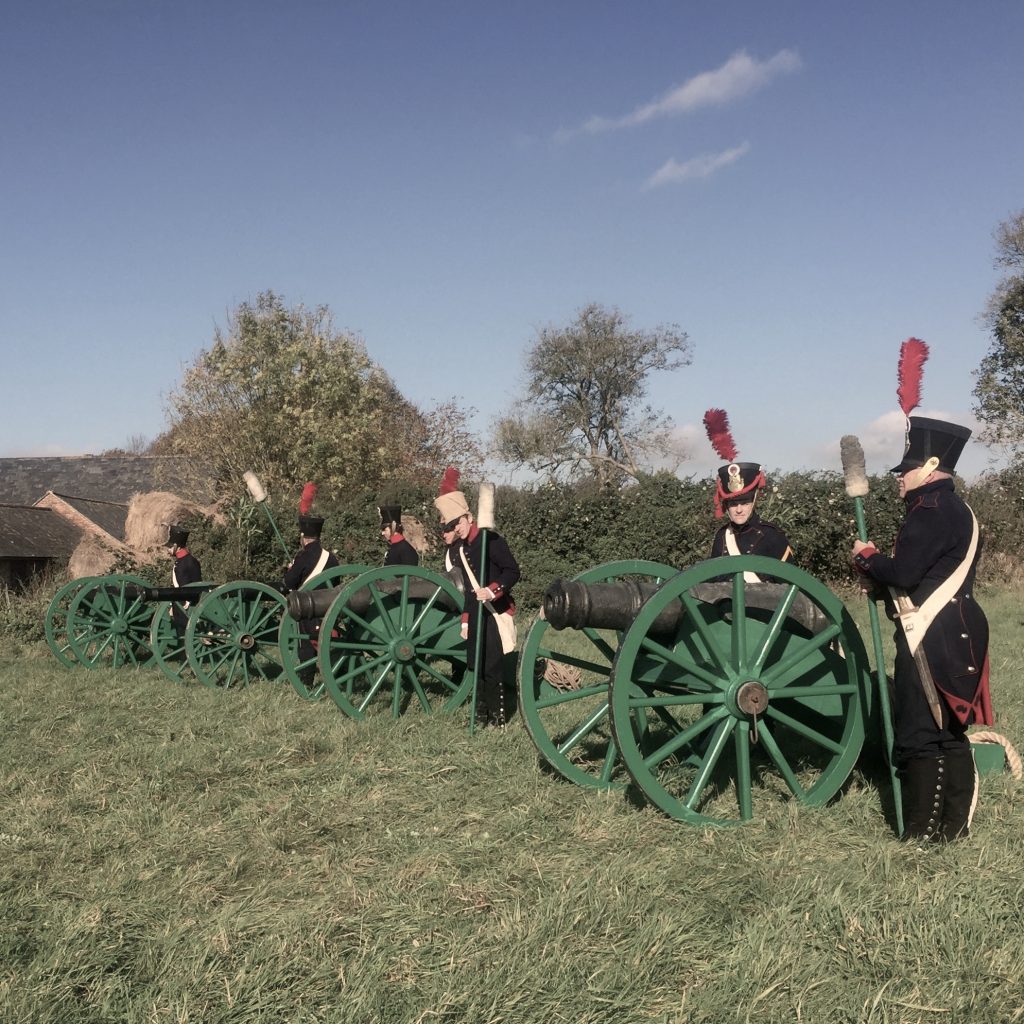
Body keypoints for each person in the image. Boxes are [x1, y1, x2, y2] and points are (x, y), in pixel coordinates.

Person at [852, 416, 991, 843]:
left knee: (918, 732)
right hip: (957, 628)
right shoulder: (958, 508)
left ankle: (921, 833)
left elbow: (907, 572)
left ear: (930, 467)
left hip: (930, 633)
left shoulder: (929, 511)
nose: (899, 478)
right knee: (948, 731)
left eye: (905, 470)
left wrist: (868, 557)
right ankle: (954, 828)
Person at [435, 468, 520, 728]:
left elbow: (513, 571)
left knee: (493, 668)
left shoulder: (491, 540)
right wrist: (465, 621)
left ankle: (499, 717)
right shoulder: (463, 549)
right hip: (477, 615)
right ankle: (480, 715)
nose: (455, 529)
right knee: (476, 666)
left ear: (469, 517)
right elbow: (470, 591)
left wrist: (493, 589)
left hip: (495, 613)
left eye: (456, 523)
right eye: (450, 526)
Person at [704, 409, 792, 569]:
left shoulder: (772, 536)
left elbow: (790, 583)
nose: (738, 509)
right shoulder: (721, 536)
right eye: (732, 504)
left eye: (744, 503)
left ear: (754, 501)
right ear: (726, 507)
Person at [283, 508, 339, 685]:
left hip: (308, 608)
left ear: (303, 537)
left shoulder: (303, 556)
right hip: (327, 606)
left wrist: (290, 570)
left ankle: (306, 681)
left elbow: (289, 583)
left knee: (306, 645)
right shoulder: (331, 558)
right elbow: (336, 581)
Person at [166, 524, 202, 633]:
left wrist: (188, 603)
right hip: (180, 607)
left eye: (170, 546)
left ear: (176, 546)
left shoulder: (190, 562)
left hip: (188, 609)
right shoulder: (180, 561)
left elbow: (195, 585)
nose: (168, 549)